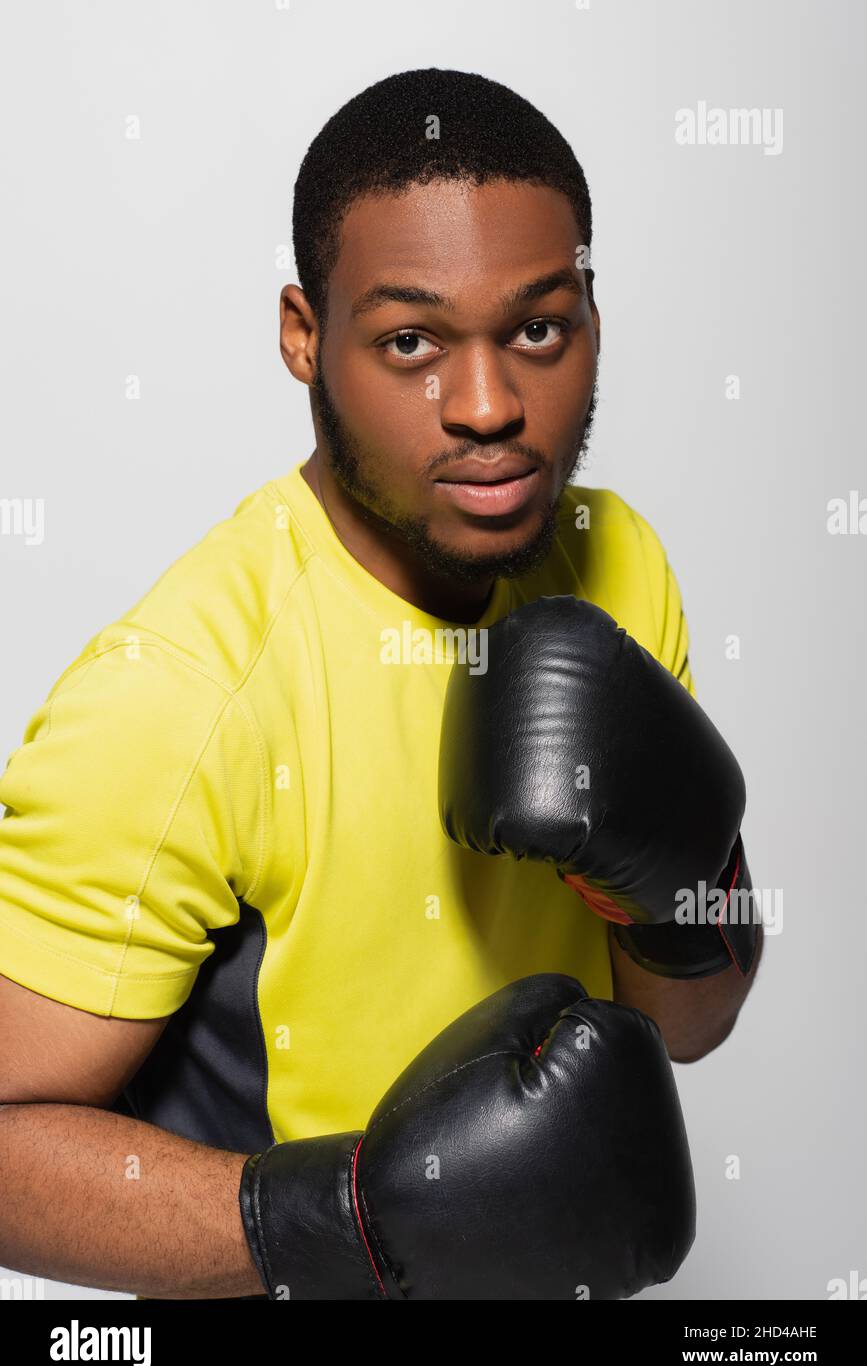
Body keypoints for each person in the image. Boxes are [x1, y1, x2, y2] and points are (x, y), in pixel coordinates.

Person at [0, 68, 761, 1300]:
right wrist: (348, 1221)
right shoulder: (184, 691)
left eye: (537, 329)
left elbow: (686, 1025)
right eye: (411, 341)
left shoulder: (617, 565)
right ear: (304, 335)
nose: (489, 407)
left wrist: (691, 895)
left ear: (591, 314)